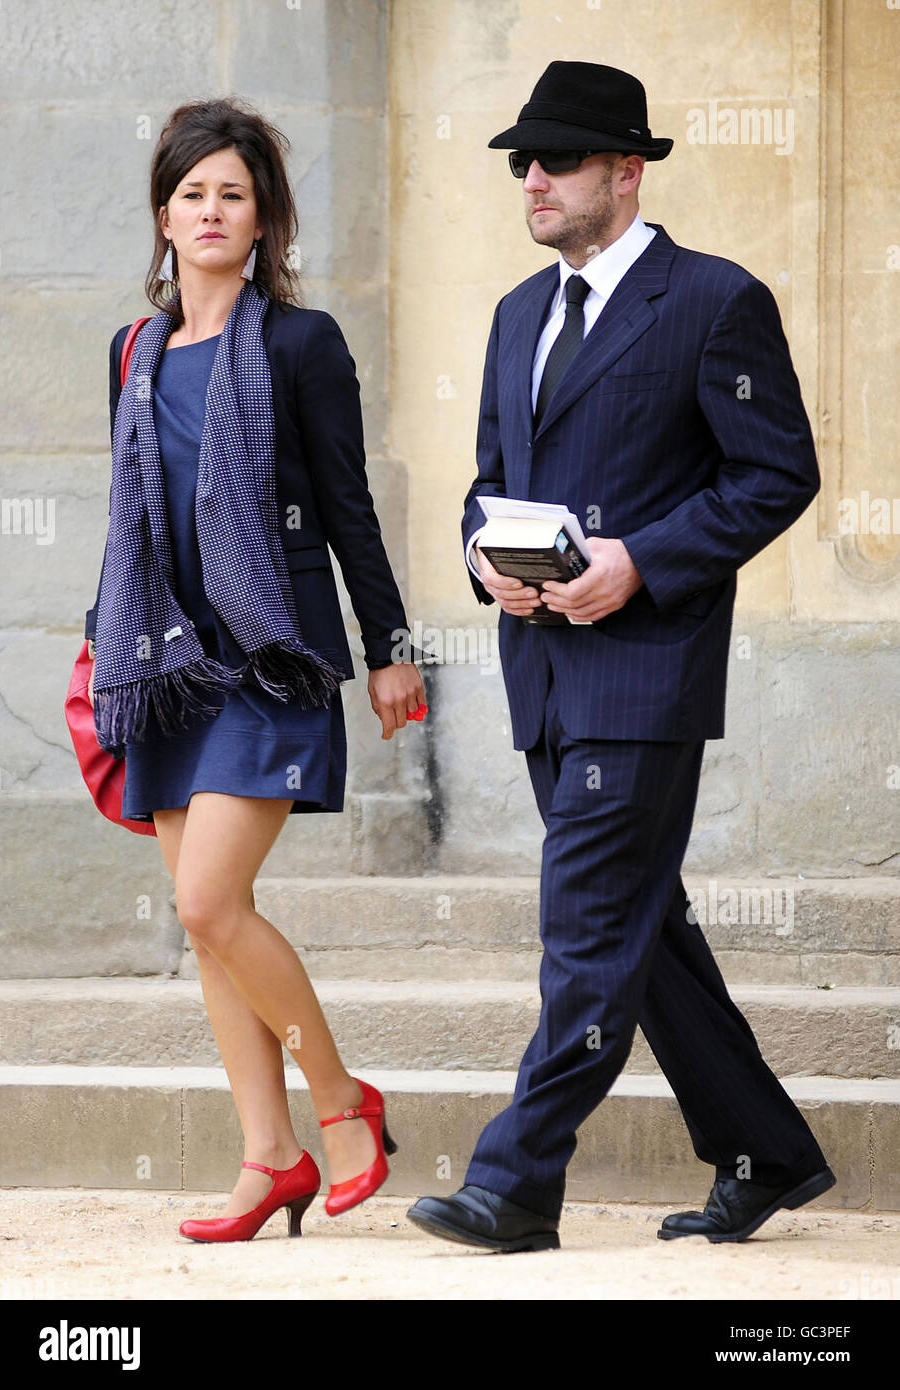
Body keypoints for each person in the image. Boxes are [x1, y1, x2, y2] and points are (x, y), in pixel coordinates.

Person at [407, 61, 834, 1252]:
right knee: (641, 928)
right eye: (519, 163)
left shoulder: (711, 300)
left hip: (646, 670)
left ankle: (516, 1182)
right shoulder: (511, 315)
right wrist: (484, 556)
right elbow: (487, 486)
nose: (529, 179)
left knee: (588, 926)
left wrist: (640, 560)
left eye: (554, 159)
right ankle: (767, 1152)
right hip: (540, 668)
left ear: (623, 171)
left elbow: (774, 474)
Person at [84, 96, 425, 1243]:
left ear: (264, 216)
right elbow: (129, 516)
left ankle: (341, 1101)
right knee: (209, 923)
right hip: (167, 667)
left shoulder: (299, 342)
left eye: (233, 192)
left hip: (269, 658)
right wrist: (100, 651)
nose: (211, 211)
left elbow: (346, 505)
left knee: (207, 897)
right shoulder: (135, 351)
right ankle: (266, 1156)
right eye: (192, 194)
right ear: (163, 215)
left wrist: (388, 647)